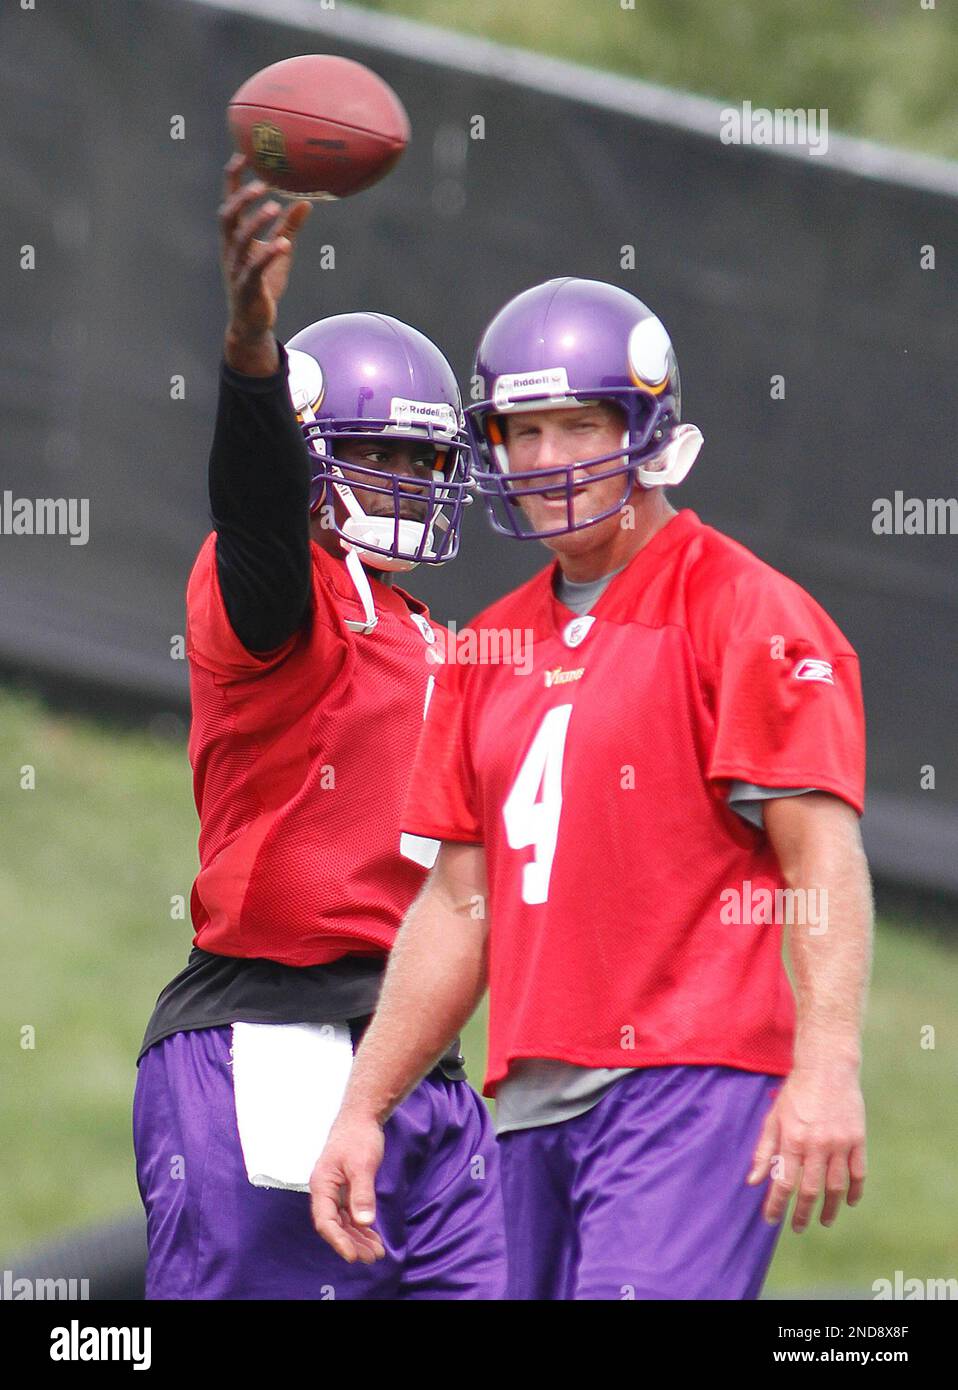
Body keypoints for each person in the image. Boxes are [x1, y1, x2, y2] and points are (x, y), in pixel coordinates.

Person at [308, 277, 872, 1300]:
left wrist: (827, 1062)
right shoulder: (485, 647)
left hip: (690, 1085)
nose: (546, 458)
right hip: (527, 1100)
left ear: (648, 427)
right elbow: (455, 905)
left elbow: (819, 857)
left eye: (578, 424)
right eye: (522, 431)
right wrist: (364, 1104)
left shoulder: (743, 609)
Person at [132, 154, 505, 1300]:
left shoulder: (438, 633)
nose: (406, 481)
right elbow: (248, 499)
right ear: (308, 454)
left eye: (422, 458)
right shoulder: (276, 590)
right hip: (271, 1036)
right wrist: (251, 354)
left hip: (418, 1065)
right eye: (379, 452)